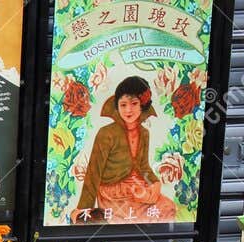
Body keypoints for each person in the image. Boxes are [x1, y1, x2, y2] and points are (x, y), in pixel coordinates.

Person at [73, 75, 178, 223]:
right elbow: (93, 172)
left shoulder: (144, 133)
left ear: (142, 106)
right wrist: (84, 208)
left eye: (134, 103)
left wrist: (154, 184)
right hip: (112, 192)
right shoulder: (106, 133)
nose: (128, 110)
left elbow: (143, 166)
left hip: (137, 187)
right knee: (129, 221)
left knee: (168, 207)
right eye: (123, 105)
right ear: (117, 106)